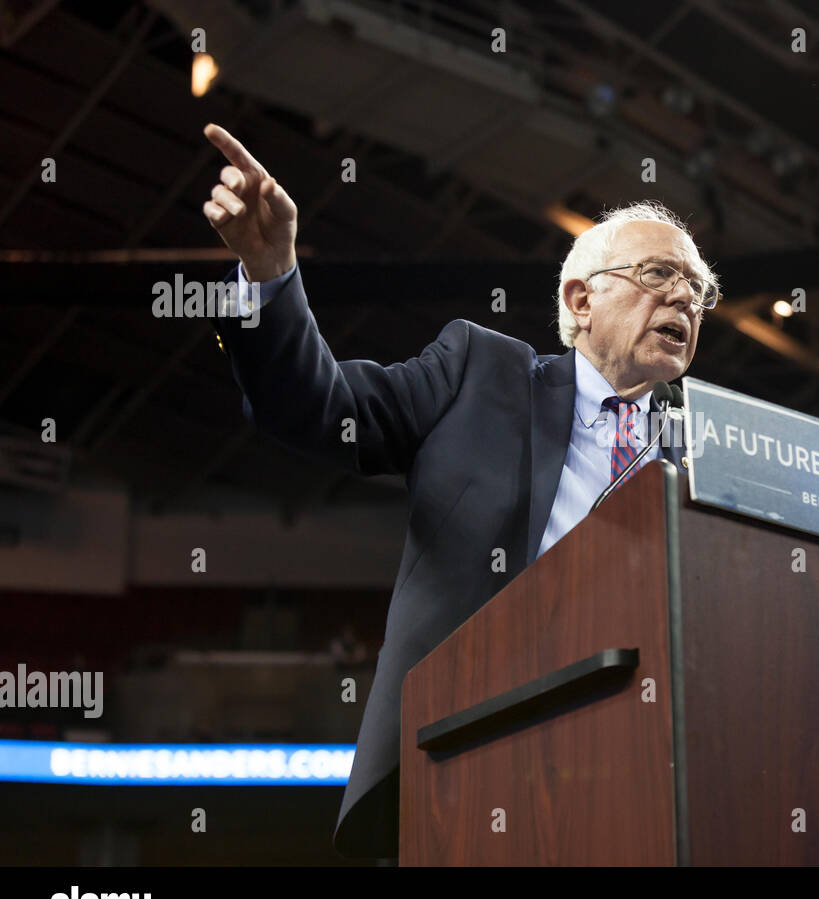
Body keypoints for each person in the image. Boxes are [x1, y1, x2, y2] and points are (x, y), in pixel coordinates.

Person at [199, 124, 719, 858]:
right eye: (661, 275)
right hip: (465, 752)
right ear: (580, 299)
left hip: (647, 770)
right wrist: (268, 272)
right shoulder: (480, 372)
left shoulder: (711, 450)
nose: (686, 299)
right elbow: (320, 410)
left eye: (699, 290)